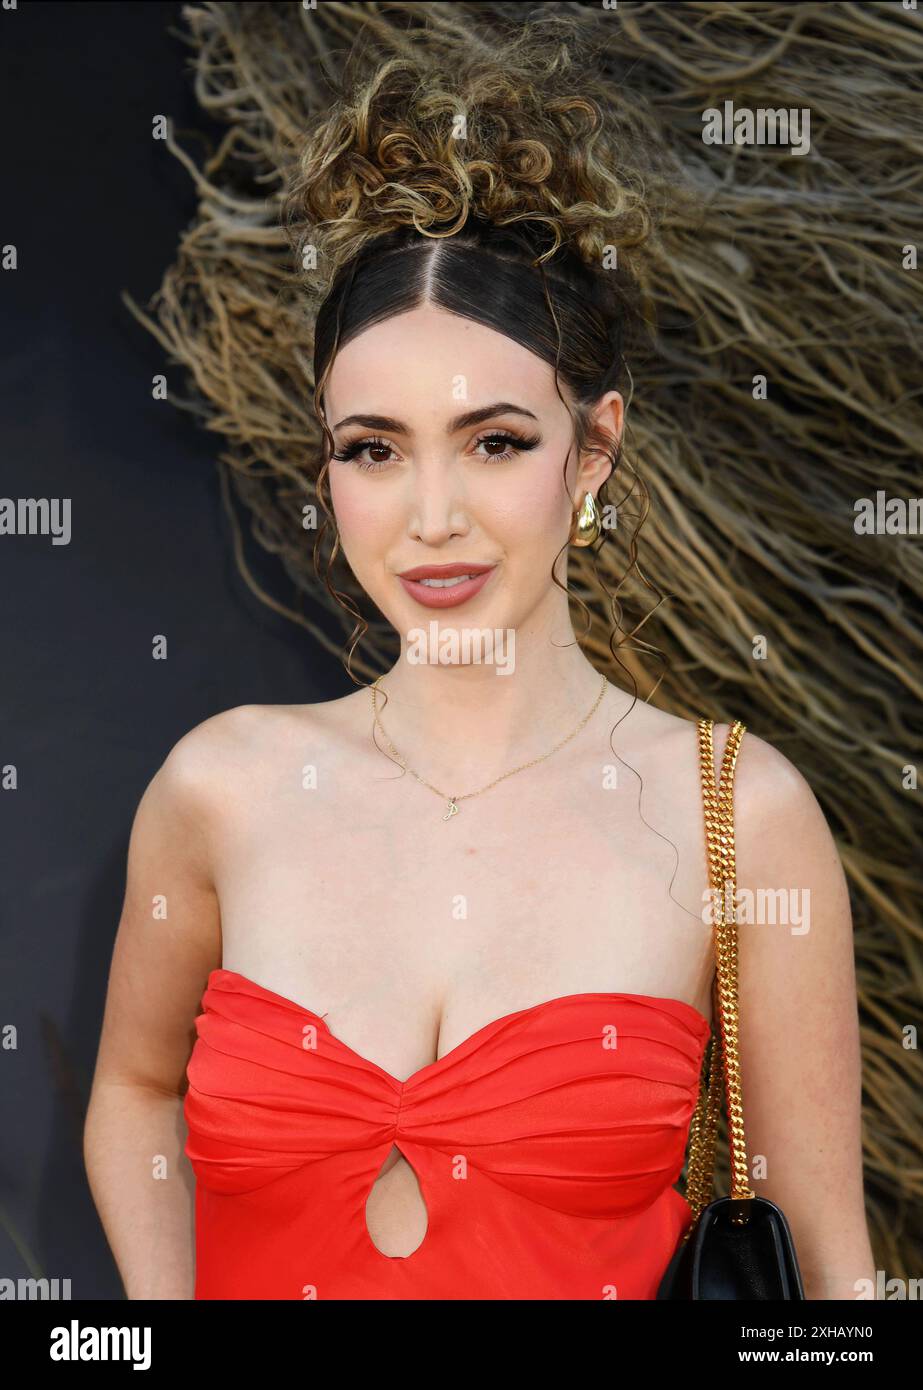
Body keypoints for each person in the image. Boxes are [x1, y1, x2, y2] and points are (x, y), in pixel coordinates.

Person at [84, 28, 874, 1302]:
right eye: (375, 448)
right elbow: (131, 1088)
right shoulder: (219, 787)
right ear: (326, 466)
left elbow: (828, 1283)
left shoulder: (739, 814)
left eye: (495, 441)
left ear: (594, 449)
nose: (431, 516)